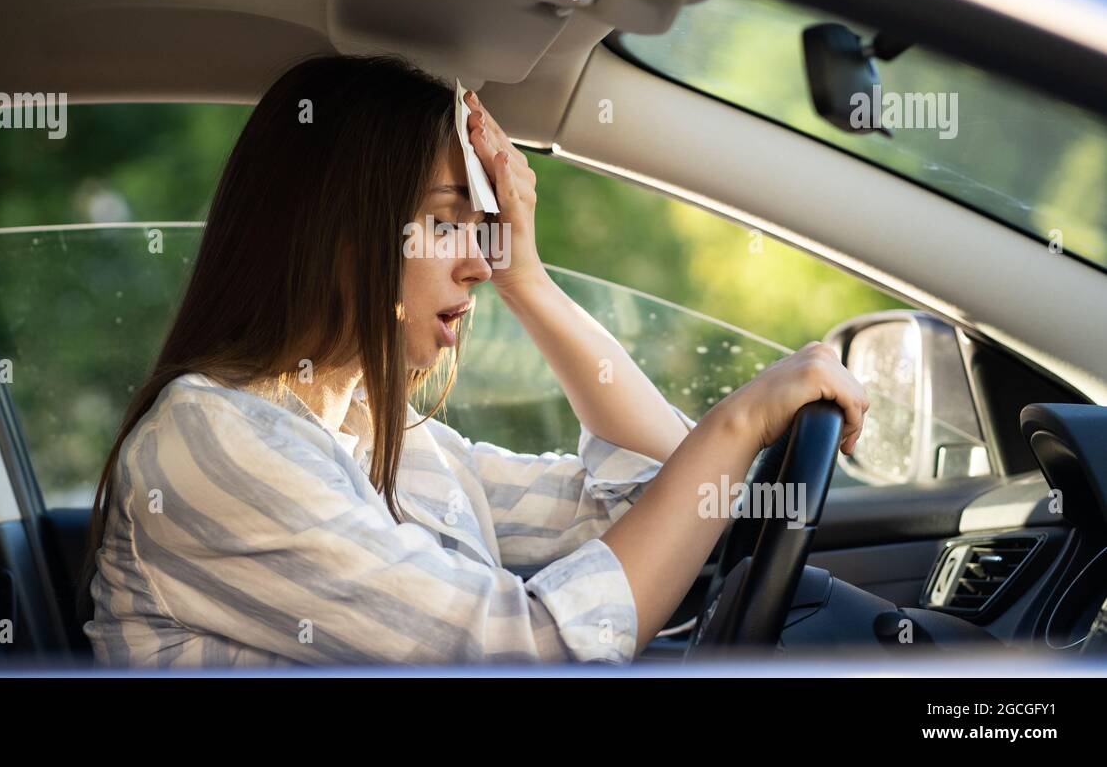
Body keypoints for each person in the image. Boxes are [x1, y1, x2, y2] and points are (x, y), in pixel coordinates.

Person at [79, 54, 868, 667]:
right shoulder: (213, 441)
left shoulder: (379, 433)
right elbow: (526, 655)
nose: (480, 263)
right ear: (345, 237)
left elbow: (665, 495)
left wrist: (531, 281)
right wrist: (741, 420)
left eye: (486, 230)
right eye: (446, 221)